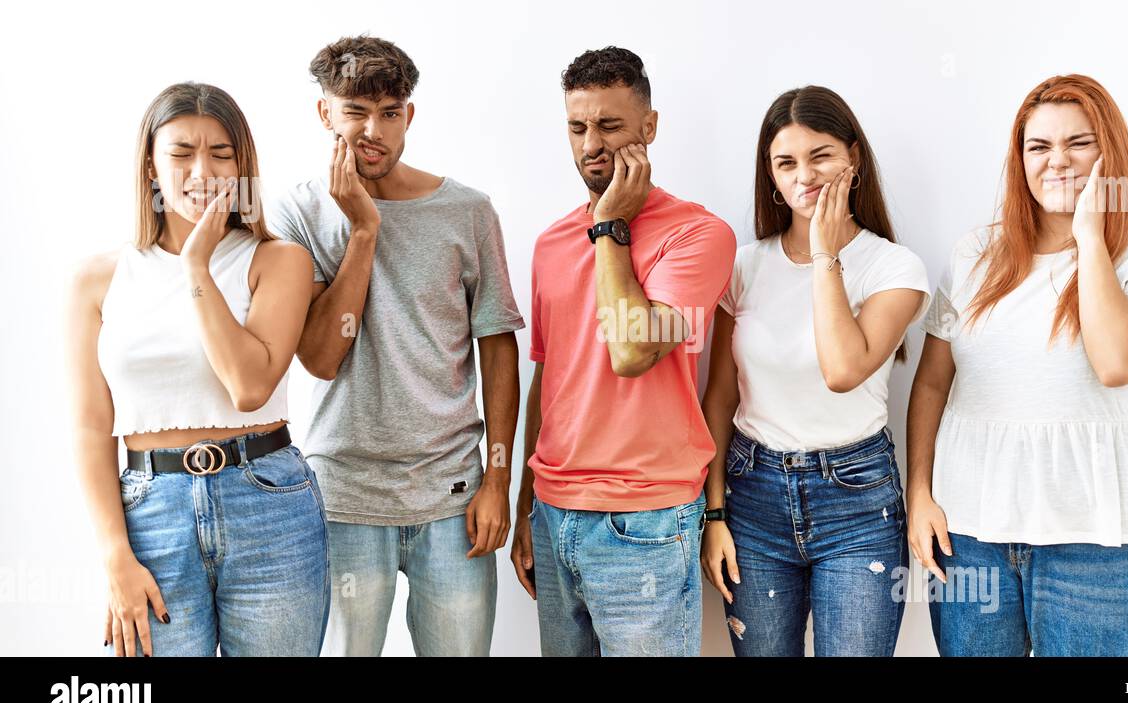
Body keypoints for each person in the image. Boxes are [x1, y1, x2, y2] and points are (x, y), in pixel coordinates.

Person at [907, 74, 1128, 656]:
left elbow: (1116, 362)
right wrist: (919, 491)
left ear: (1110, 150)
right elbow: (934, 382)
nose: (1057, 161)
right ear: (1020, 160)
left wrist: (1089, 235)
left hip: (1096, 543)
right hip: (970, 532)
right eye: (1039, 147)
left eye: (1078, 143)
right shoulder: (974, 254)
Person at [266, 35, 524, 657]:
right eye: (355, 111)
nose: (372, 130)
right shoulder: (297, 212)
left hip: (453, 493)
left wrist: (497, 480)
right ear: (325, 114)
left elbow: (497, 348)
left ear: (410, 114)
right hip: (343, 495)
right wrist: (363, 229)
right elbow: (323, 356)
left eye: (389, 112)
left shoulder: (468, 211)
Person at [68, 82, 325, 656]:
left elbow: (250, 385)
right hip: (150, 514)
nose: (202, 169)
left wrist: (196, 267)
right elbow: (89, 427)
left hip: (267, 503)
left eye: (221, 153)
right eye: (181, 153)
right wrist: (115, 555)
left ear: (242, 166)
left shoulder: (278, 261)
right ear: (152, 169)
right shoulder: (97, 279)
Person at [510, 46, 736, 656]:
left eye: (610, 126)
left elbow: (633, 349)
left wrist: (611, 226)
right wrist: (526, 506)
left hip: (647, 523)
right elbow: (547, 380)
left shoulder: (699, 234)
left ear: (650, 127)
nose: (591, 145)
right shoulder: (551, 242)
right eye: (577, 127)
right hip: (555, 514)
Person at [700, 85, 929, 656]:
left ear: (854, 159)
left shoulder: (894, 267)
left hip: (855, 501)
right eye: (786, 162)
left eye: (820, 155)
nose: (804, 175)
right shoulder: (745, 266)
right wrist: (714, 512)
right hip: (751, 499)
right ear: (772, 177)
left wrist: (827, 255)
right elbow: (720, 397)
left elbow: (843, 369)